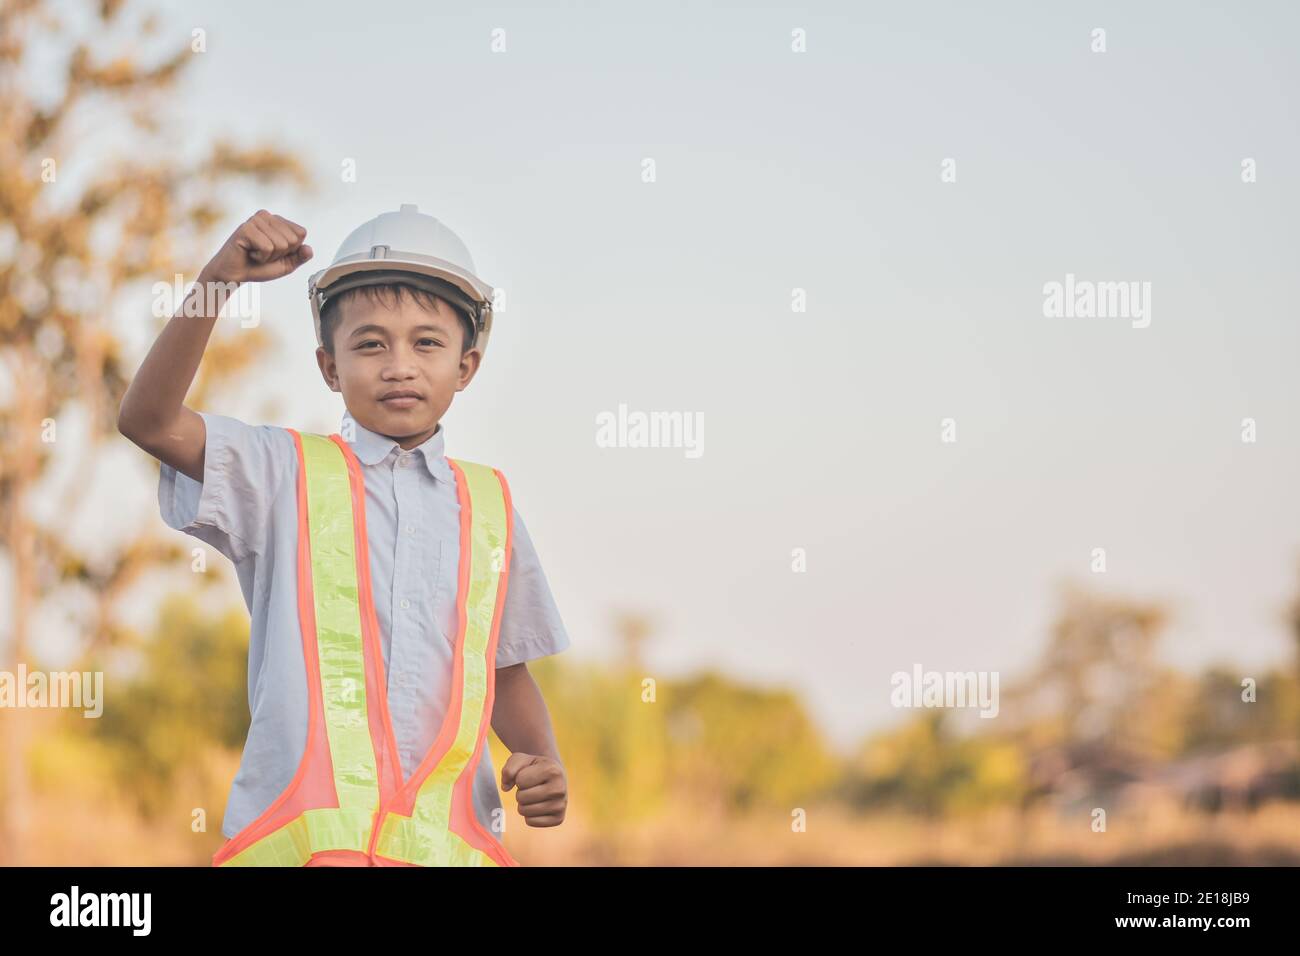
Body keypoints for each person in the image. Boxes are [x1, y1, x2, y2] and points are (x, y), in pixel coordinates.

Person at [117, 206, 570, 866]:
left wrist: (544, 762)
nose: (399, 366)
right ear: (330, 367)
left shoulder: (490, 505)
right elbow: (150, 422)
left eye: (427, 343)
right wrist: (220, 279)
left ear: (466, 367)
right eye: (370, 344)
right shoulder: (280, 473)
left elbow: (503, 668)